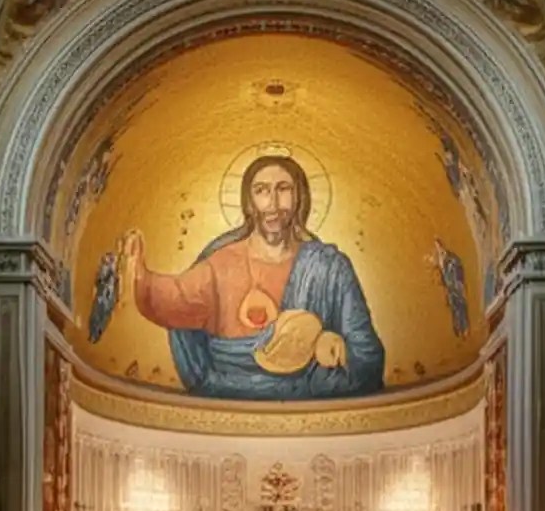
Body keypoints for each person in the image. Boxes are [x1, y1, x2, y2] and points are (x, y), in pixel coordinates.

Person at [122, 154, 385, 399]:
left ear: (299, 198)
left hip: (314, 413)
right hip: (227, 393)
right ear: (249, 202)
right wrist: (139, 276)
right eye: (261, 191)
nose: (272, 203)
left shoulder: (330, 268)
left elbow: (368, 355)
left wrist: (334, 348)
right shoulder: (222, 264)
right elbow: (175, 298)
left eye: (283, 189)